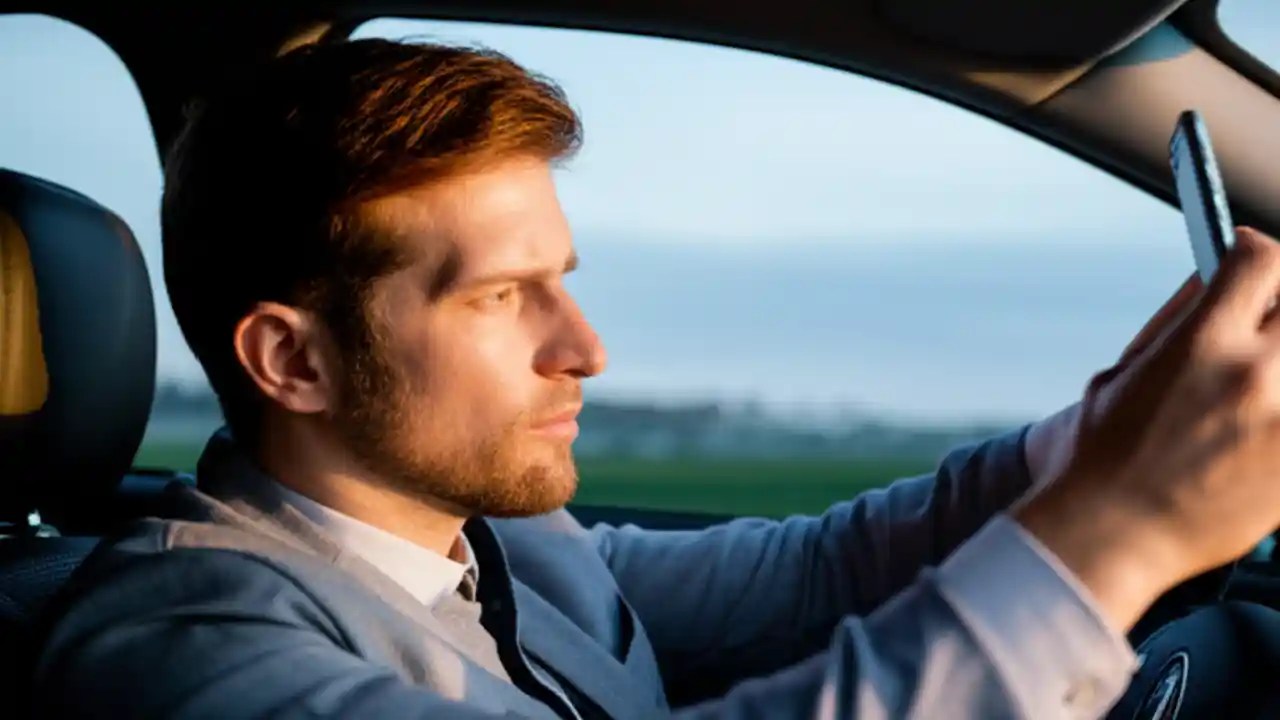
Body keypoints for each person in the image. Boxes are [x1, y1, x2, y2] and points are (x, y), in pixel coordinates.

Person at [28, 38, 1280, 720]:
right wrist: (1111, 539)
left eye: (561, 277)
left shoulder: (503, 545)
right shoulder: (185, 654)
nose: (584, 347)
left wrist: (1093, 440)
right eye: (501, 295)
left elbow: (817, 574)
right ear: (290, 359)